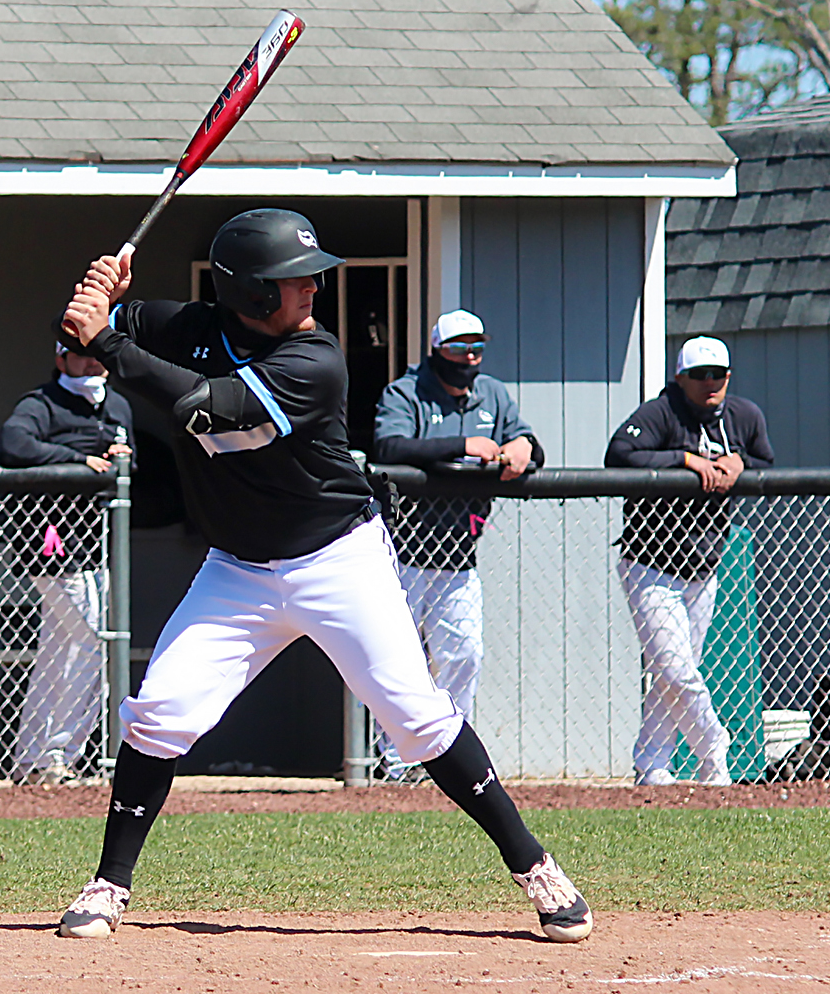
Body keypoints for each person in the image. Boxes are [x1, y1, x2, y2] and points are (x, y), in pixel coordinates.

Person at [50, 209, 592, 944]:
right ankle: (109, 884)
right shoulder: (194, 327)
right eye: (294, 279)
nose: (313, 288)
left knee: (417, 718)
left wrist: (106, 341)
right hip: (237, 570)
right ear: (250, 292)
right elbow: (95, 330)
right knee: (159, 714)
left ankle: (535, 866)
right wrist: (98, 300)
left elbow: (209, 411)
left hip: (338, 559)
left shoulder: (317, 359)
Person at [370, 309, 541, 775]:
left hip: (459, 551)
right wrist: (462, 444)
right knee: (399, 659)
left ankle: (446, 755)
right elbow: (390, 446)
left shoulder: (493, 394)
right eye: (459, 348)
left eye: (477, 349)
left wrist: (524, 445)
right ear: (437, 351)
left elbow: (525, 443)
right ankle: (395, 762)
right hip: (402, 550)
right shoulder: (406, 391)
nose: (469, 358)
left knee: (464, 653)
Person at [605, 336, 774, 787]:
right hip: (650, 563)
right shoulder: (661, 412)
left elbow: (766, 460)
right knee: (676, 669)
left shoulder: (743, 415)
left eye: (718, 374)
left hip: (704, 565)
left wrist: (741, 464)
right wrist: (686, 460)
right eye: (699, 375)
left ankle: (652, 765)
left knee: (673, 676)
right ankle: (714, 745)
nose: (709, 383)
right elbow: (619, 455)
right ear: (680, 378)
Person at [0, 342, 135, 785]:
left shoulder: (117, 406)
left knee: (62, 650)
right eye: (80, 354)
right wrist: (77, 460)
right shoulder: (43, 403)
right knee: (93, 643)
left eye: (99, 354)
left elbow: (130, 460)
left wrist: (120, 460)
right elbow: (12, 444)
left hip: (98, 545)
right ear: (61, 360)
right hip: (52, 544)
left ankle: (34, 760)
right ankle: (55, 755)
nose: (92, 362)